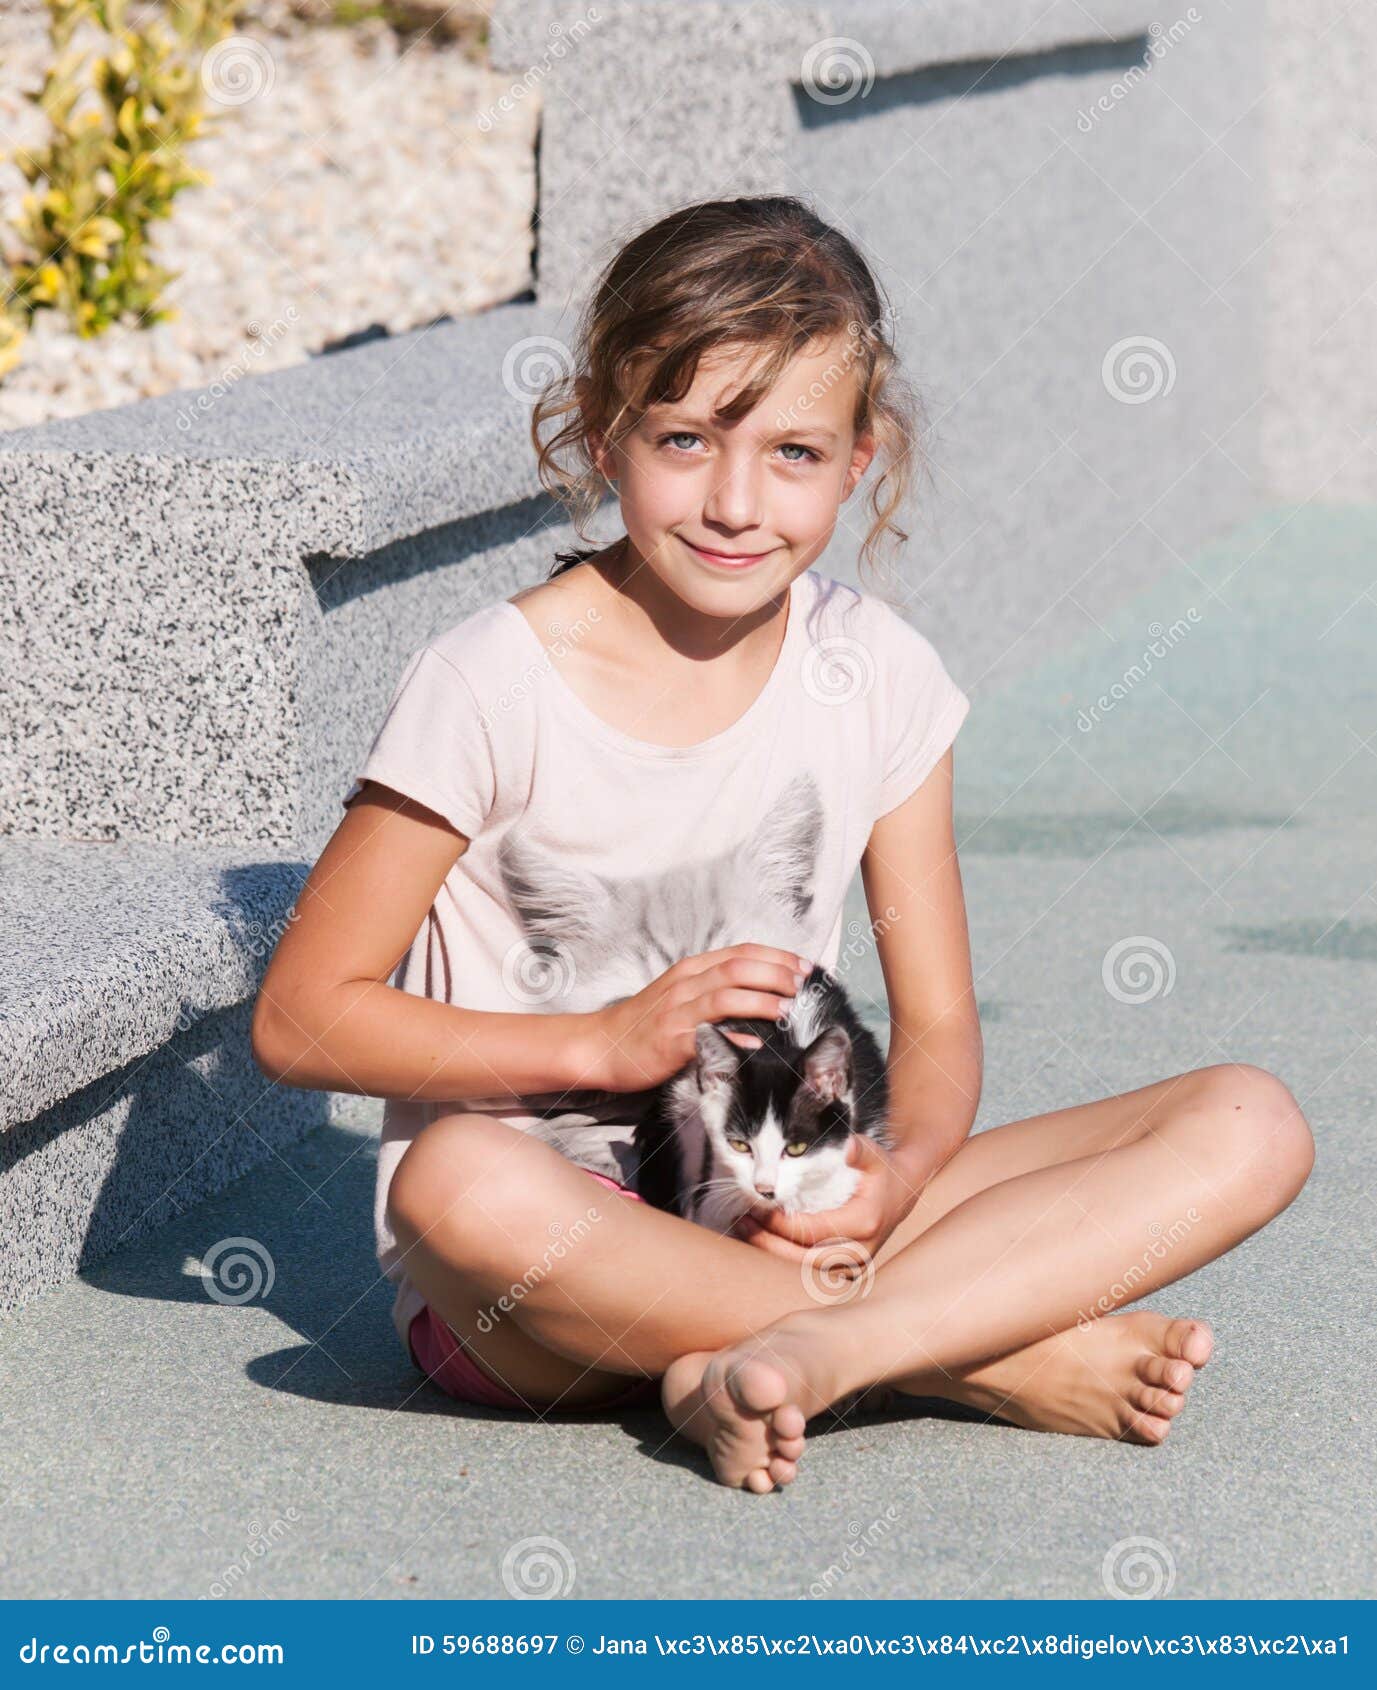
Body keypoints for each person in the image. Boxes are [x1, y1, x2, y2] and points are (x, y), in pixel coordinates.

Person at [251, 195, 1314, 1494]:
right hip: (538, 1277)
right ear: (602, 432)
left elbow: (932, 1029)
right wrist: (594, 1045)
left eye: (794, 453)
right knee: (458, 1187)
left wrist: (895, 1171)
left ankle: (787, 1349)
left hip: (791, 1211)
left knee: (1248, 1119)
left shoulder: (874, 672)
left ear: (860, 459)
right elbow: (303, 1018)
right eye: (686, 438)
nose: (735, 501)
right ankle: (946, 1354)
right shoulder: (491, 680)